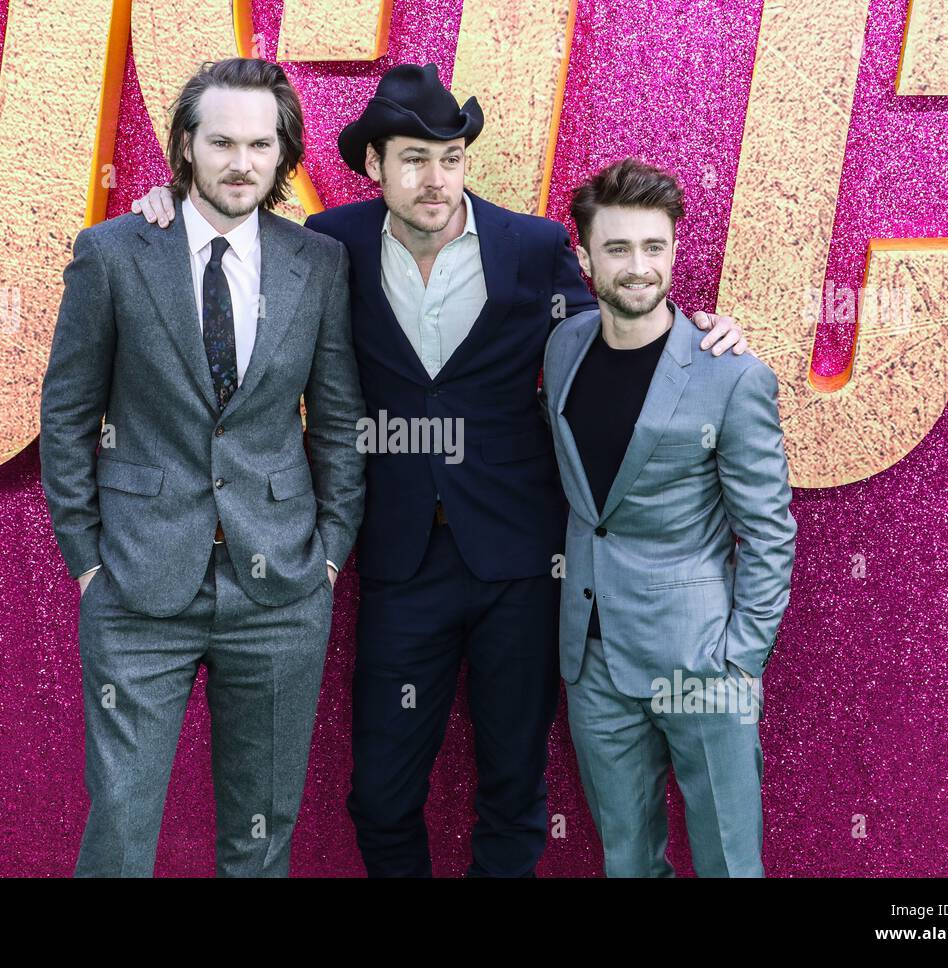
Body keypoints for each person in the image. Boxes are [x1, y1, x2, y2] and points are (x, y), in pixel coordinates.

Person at [132, 63, 749, 877]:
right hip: (399, 562)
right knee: (381, 796)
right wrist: (168, 206)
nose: (436, 178)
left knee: (514, 787)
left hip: (523, 564)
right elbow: (231, 236)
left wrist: (703, 329)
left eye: (450, 156)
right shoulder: (330, 247)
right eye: (415, 158)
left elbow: (622, 319)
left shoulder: (530, 246)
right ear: (374, 166)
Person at [39, 57, 365, 877]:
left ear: (282, 152)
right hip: (138, 584)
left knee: (260, 835)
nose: (240, 162)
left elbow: (336, 422)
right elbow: (68, 414)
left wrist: (327, 554)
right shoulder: (114, 254)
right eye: (221, 141)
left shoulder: (316, 263)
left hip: (282, 590)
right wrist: (87, 563)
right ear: (186, 144)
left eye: (260, 144)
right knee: (120, 823)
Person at [543, 156, 796, 876]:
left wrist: (740, 662)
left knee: (727, 863)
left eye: (654, 247)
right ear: (586, 255)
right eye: (617, 248)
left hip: (703, 660)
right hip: (592, 661)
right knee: (626, 860)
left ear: (675, 251)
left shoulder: (730, 374)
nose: (637, 267)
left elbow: (770, 532)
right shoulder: (563, 349)